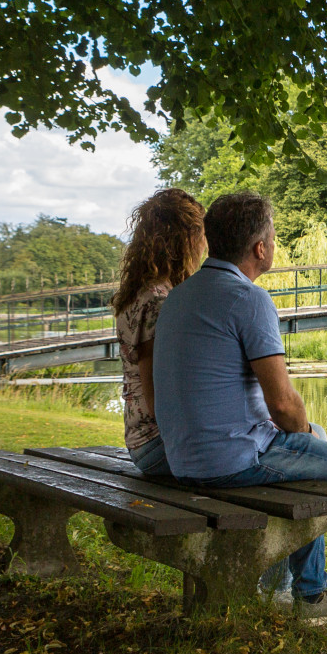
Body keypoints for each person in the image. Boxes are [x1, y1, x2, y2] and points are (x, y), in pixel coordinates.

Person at [154, 192, 327, 642]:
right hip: (233, 462)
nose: (274, 243)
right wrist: (303, 433)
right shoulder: (248, 299)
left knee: (307, 449)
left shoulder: (179, 297)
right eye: (273, 236)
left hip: (184, 462)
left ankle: (311, 594)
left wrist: (304, 435)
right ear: (260, 248)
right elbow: (284, 406)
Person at [113, 188, 207, 479]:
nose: (205, 246)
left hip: (145, 442)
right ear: (186, 239)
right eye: (202, 235)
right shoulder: (159, 301)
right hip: (161, 445)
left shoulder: (140, 292)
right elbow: (158, 402)